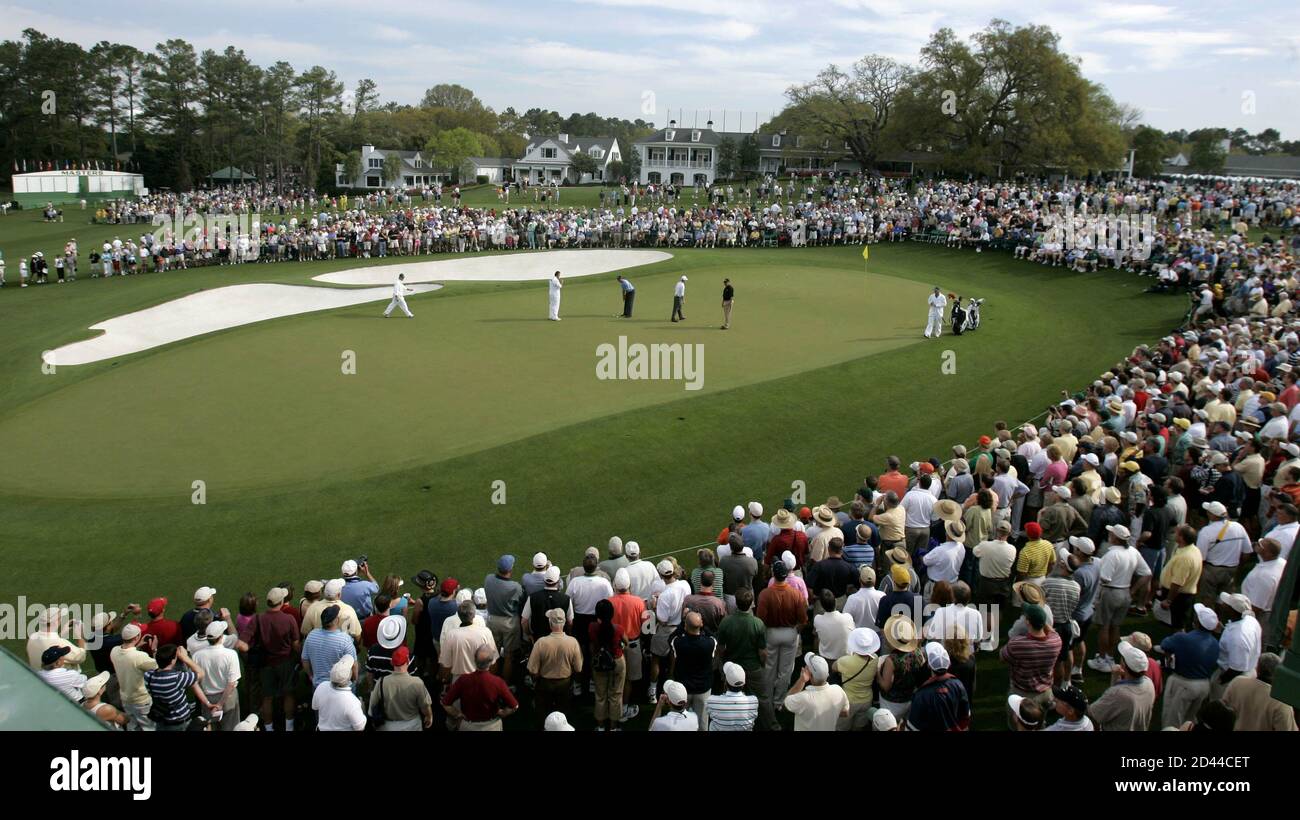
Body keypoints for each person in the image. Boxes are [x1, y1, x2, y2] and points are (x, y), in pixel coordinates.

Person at [756, 560, 807, 726]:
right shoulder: (795, 594)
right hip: (789, 633)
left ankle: (770, 700)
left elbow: (760, 619)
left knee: (770, 668)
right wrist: (795, 631)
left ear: (773, 574)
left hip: (771, 633)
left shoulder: (765, 593)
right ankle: (779, 702)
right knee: (785, 669)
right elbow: (803, 620)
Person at [1156, 603, 1221, 728]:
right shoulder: (1215, 644)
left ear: (1197, 622)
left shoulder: (1183, 638)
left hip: (1183, 684)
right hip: (1204, 686)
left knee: (1172, 723)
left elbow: (1165, 644)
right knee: (1190, 722)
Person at [526, 608, 582, 726]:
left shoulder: (541, 642)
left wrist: (536, 681)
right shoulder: (572, 642)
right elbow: (578, 668)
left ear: (550, 623)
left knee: (544, 715)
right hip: (565, 684)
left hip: (545, 684)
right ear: (564, 623)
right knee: (563, 714)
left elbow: (532, 669)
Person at [440, 644, 513, 731]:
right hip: (492, 726)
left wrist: (458, 714)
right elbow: (514, 706)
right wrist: (503, 713)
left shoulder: (463, 680)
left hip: (468, 725)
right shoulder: (498, 682)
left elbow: (445, 703)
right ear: (491, 662)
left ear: (474, 659)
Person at [1089, 640, 1156, 732]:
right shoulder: (1149, 683)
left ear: (1124, 665)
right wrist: (1116, 676)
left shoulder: (1118, 693)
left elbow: (1093, 714)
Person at [1221, 653, 1299, 731]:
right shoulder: (1281, 703)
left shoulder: (1237, 682)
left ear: (1257, 668)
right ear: (1278, 674)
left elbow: (1222, 709)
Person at [142, 644, 208, 732]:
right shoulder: (176, 678)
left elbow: (158, 669)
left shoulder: (148, 675)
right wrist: (185, 658)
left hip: (161, 719)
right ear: (173, 661)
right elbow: (201, 673)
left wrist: (155, 651)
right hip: (179, 722)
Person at [670, 611, 716, 730]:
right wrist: (701, 623)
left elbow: (671, 638)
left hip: (683, 689)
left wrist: (683, 623)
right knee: (702, 724)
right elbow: (714, 637)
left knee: (679, 724)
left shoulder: (678, 642)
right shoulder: (709, 643)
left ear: (685, 626)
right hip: (702, 689)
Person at [783, 652, 850, 731]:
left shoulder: (803, 698)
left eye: (806, 666)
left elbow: (786, 703)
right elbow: (845, 713)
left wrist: (801, 680)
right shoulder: (838, 690)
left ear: (810, 675)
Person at [589, 598, 627, 731]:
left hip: (600, 662)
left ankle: (600, 726)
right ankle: (613, 727)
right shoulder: (618, 629)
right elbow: (626, 642)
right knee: (616, 695)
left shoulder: (592, 627)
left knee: (600, 695)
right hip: (617, 661)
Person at [314, 657, 366, 731]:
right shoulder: (353, 701)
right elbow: (360, 727)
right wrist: (362, 709)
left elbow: (315, 707)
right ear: (349, 677)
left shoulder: (321, 686)